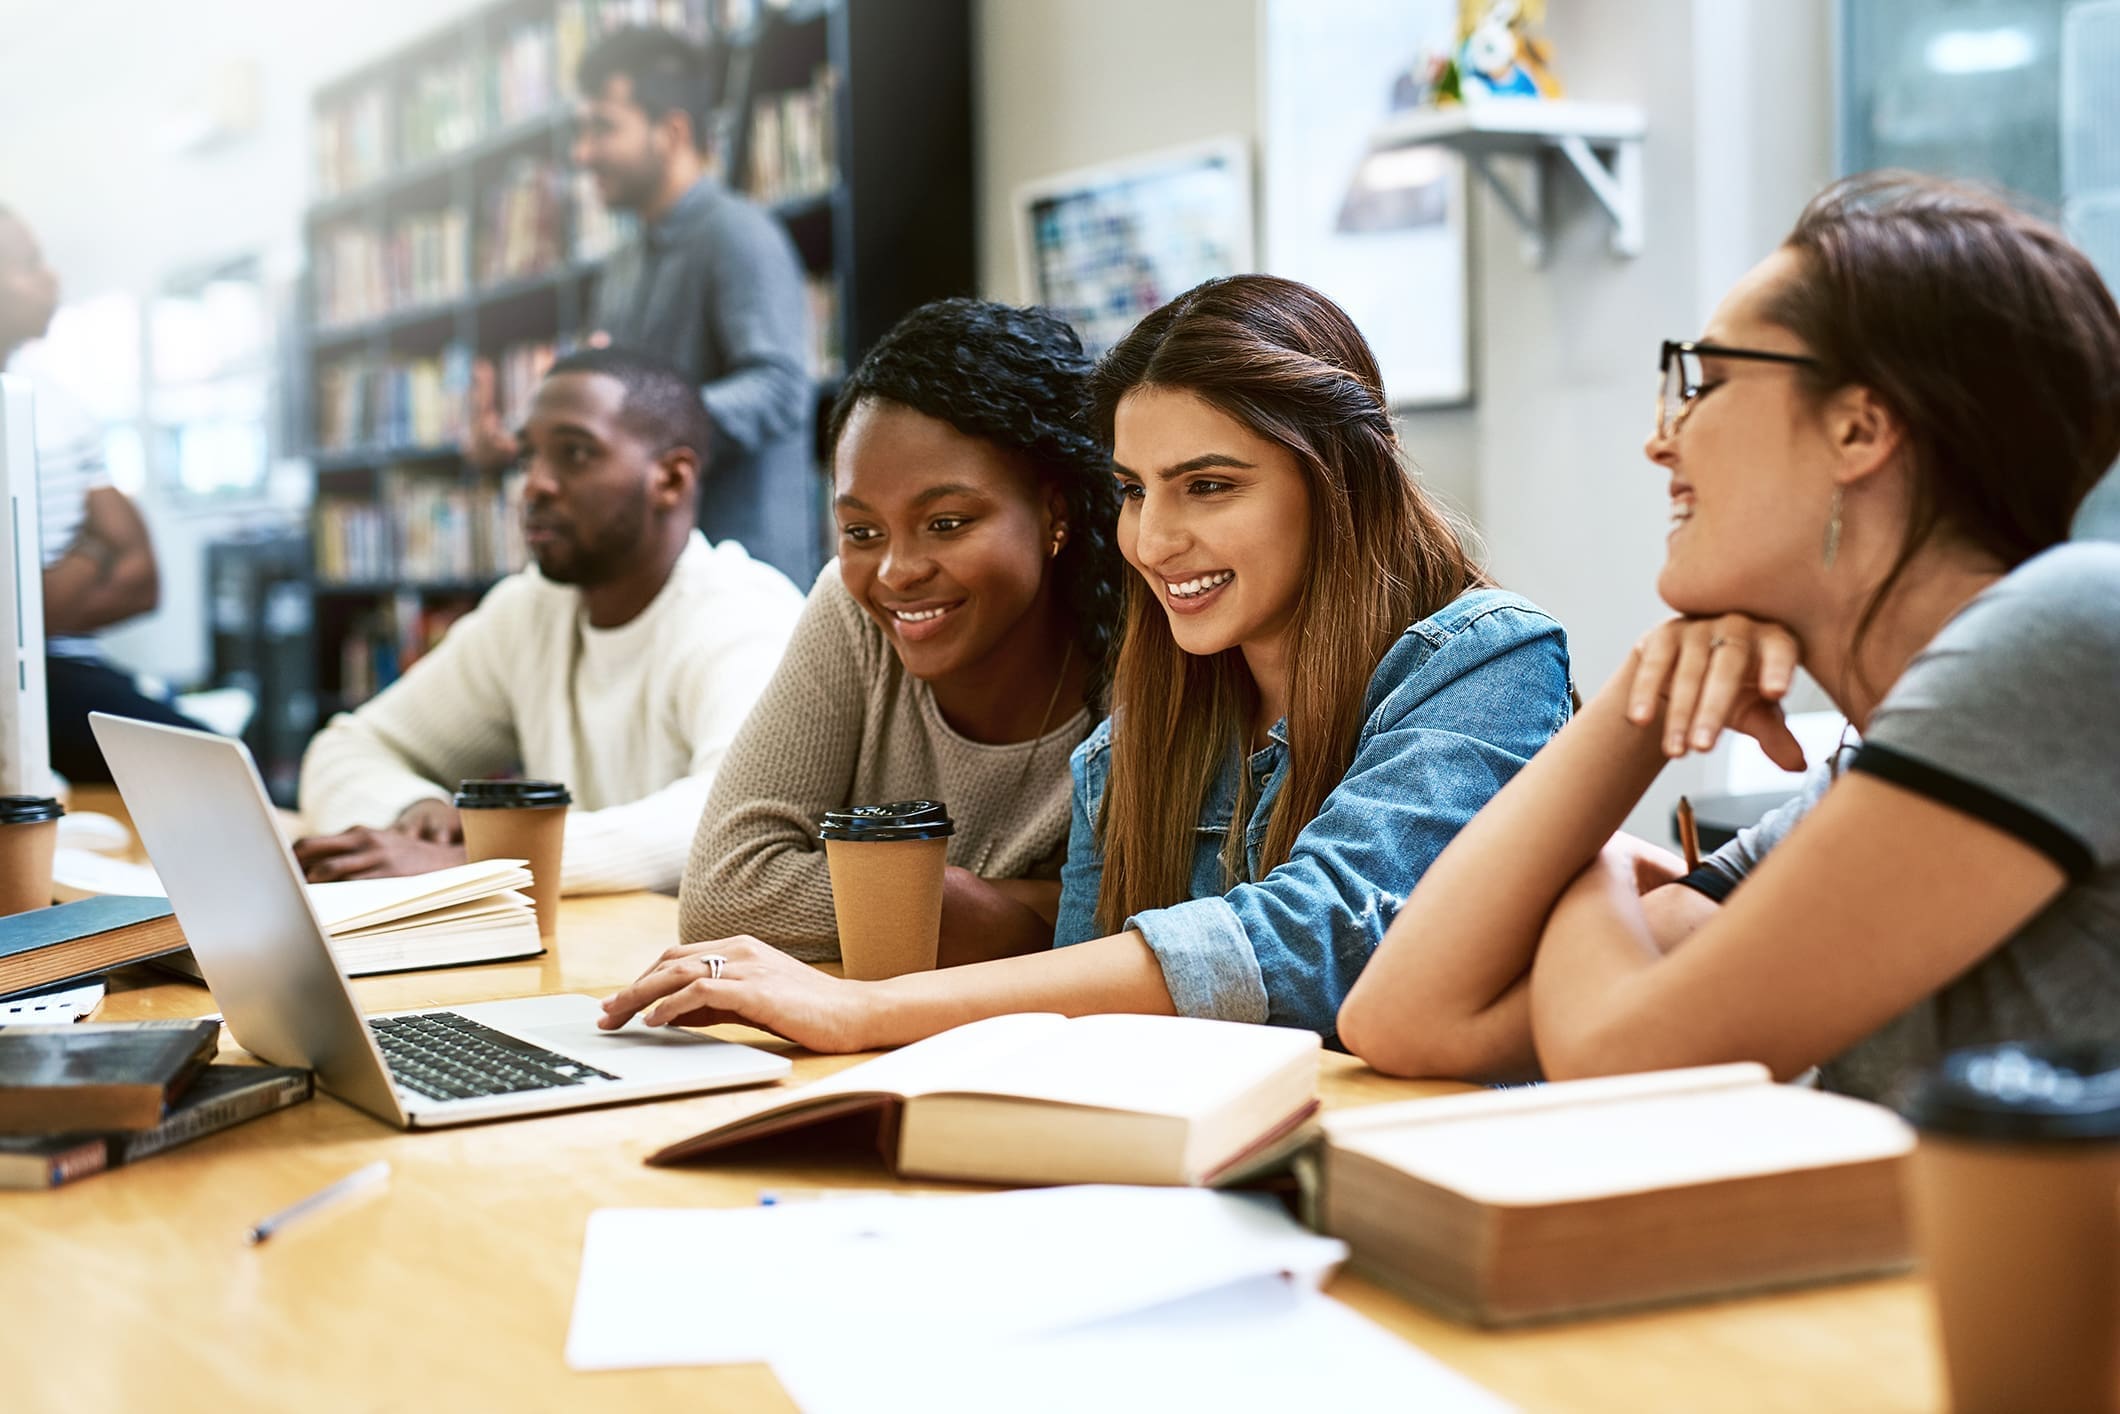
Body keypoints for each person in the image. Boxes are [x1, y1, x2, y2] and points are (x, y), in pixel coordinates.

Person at [600, 274, 1573, 1049]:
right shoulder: (1152, 714)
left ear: (1337, 479)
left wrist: (858, 1010)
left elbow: (1312, 941)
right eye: (1136, 491)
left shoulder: (1485, 661)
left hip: (1435, 1179)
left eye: (1206, 486)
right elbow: (1077, 1010)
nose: (1154, 539)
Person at [1337, 174, 2120, 1101]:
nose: (1662, 442)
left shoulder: (2073, 627)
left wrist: (1590, 861)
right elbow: (1405, 1016)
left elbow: (1621, 1055)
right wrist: (1639, 703)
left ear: (1859, 428)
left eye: (1706, 383)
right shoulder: (1859, 784)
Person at [679, 299, 1124, 965]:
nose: (895, 570)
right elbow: (723, 893)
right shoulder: (852, 609)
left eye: (946, 522)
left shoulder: (1144, 640)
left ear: (1053, 510)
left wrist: (896, 897)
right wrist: (1010, 908)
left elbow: (1156, 923)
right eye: (862, 531)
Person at [295, 347, 803, 894]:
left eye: (575, 454)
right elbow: (346, 748)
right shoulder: (529, 610)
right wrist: (415, 808)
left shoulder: (744, 612)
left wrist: (485, 862)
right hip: (592, 952)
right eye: (528, 458)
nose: (534, 485)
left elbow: (730, 814)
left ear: (672, 479)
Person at [468, 27, 814, 582]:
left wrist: (645, 424)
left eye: (602, 127)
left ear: (671, 131)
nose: (582, 154)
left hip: (739, 580)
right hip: (652, 577)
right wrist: (530, 437)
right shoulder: (622, 263)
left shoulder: (740, 235)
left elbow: (780, 388)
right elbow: (612, 407)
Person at [0, 204, 204, 784]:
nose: (51, 278)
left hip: (57, 671)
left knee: (214, 764)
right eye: (29, 264)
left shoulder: (62, 409)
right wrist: (92, 552)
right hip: (27, 676)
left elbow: (143, 579)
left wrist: (34, 609)